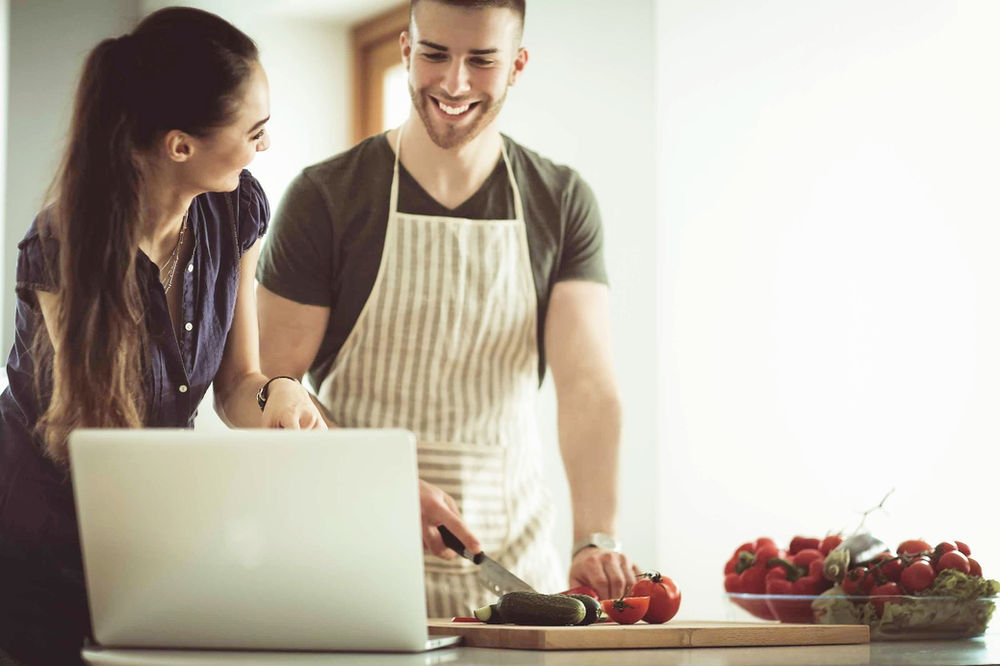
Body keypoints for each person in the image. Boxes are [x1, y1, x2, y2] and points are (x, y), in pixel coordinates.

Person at [257, 0, 638, 617]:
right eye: (434, 54)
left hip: (516, 582)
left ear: (516, 66)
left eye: (481, 60)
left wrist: (595, 536)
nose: (454, 83)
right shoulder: (324, 198)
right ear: (406, 50)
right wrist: (376, 486)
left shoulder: (562, 202)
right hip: (350, 577)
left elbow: (588, 387)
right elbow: (269, 395)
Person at [0, 7, 326, 664]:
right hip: (44, 549)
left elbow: (238, 383)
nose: (265, 146)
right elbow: (96, 445)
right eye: (253, 131)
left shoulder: (235, 208)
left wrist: (280, 395)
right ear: (181, 145)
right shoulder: (64, 245)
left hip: (148, 536)